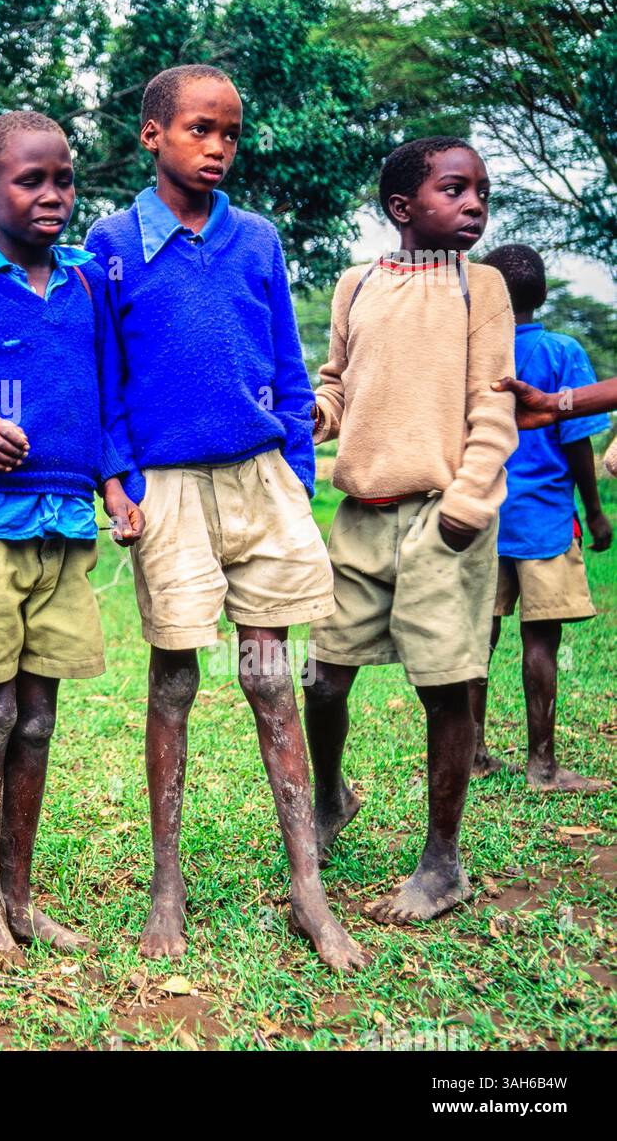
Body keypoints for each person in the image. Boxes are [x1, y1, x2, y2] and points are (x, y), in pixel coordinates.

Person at [86, 64, 365, 970]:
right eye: (200, 129)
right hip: (167, 497)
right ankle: (167, 888)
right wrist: (119, 482)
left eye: (230, 133)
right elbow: (107, 382)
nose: (218, 147)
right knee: (174, 684)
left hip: (258, 489)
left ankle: (307, 888)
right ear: (152, 135)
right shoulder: (112, 243)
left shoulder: (257, 240)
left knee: (270, 680)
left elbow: (287, 362)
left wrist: (292, 464)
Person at [0, 111, 142, 966]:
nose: (51, 196)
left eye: (63, 180)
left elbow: (107, 397)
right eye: (29, 181)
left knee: (41, 717)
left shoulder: (89, 285)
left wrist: (117, 487)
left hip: (67, 527)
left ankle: (21, 896)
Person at [305, 137, 517, 924]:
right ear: (403, 208)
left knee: (446, 687)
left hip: (445, 516)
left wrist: (468, 505)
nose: (474, 206)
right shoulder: (357, 283)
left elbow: (493, 406)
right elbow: (337, 383)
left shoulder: (481, 287)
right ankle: (331, 798)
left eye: (481, 193)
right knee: (323, 677)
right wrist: (315, 414)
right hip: (361, 515)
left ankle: (442, 860)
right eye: (455, 191)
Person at [473, 244, 611, 792]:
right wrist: (596, 513)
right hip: (546, 521)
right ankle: (542, 766)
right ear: (545, 294)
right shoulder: (562, 350)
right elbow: (579, 443)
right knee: (541, 641)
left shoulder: (475, 355)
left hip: (480, 515)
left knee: (477, 638)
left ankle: (476, 754)